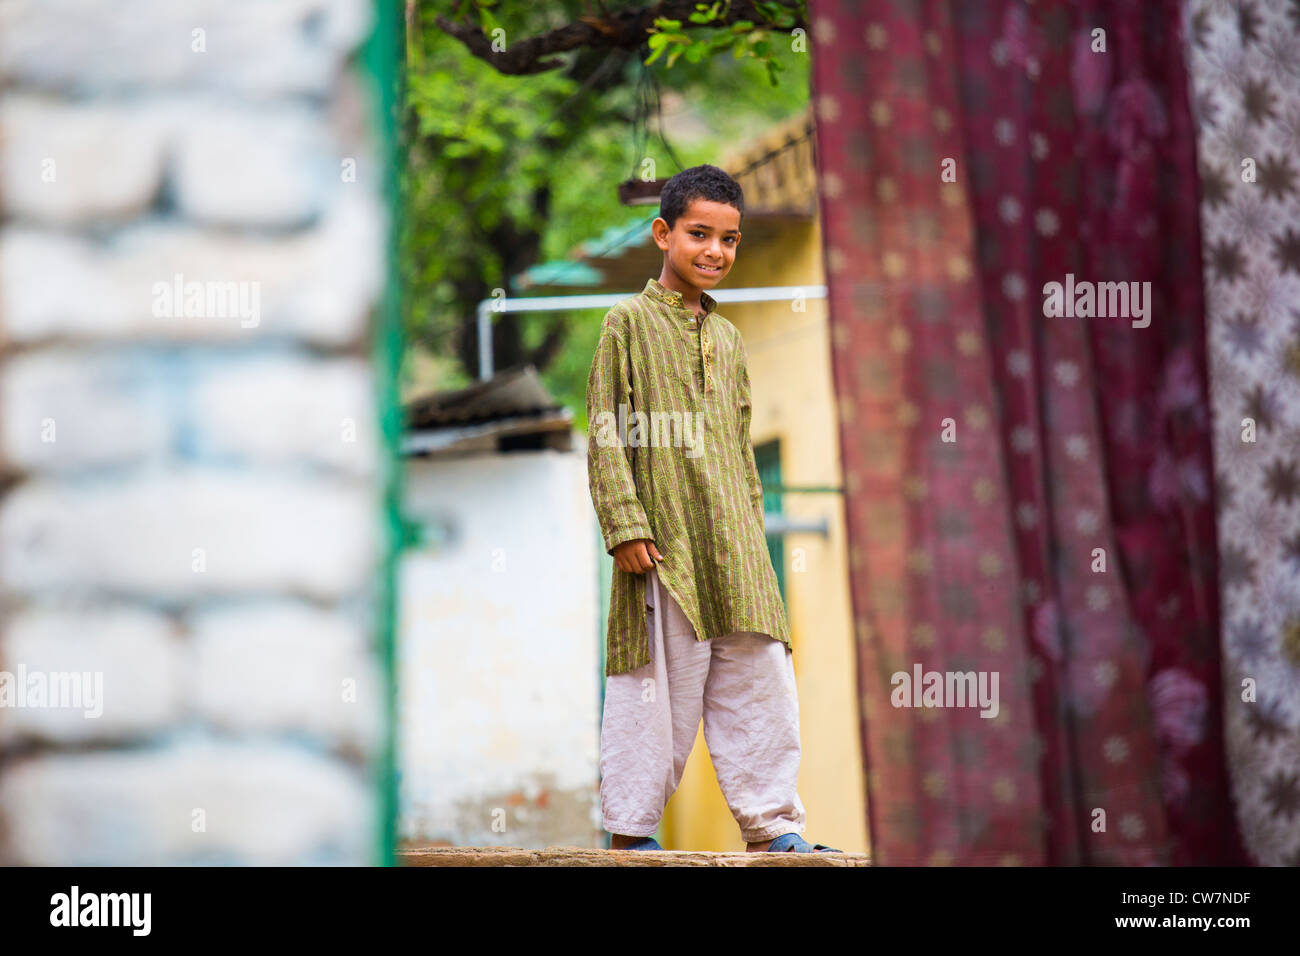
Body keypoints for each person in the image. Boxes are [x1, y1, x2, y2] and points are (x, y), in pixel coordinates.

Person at [585, 164, 841, 854]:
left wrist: (754, 541)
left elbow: (738, 444)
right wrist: (626, 527)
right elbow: (608, 432)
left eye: (730, 240)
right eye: (700, 235)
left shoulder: (727, 339)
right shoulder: (626, 324)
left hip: (736, 547)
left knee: (762, 685)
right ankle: (632, 832)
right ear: (663, 234)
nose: (716, 253)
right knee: (653, 693)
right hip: (663, 547)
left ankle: (775, 827)